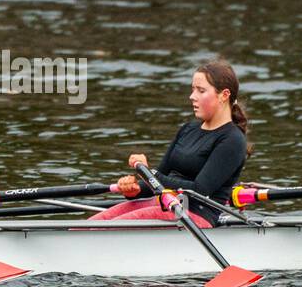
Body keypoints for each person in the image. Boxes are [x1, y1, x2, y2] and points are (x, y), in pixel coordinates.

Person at [91, 59, 250, 228]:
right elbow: (161, 177)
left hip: (195, 216)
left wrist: (149, 172)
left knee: (103, 229)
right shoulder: (188, 129)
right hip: (165, 204)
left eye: (201, 90)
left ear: (224, 95)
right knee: (89, 224)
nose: (192, 96)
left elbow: (199, 190)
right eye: (193, 89)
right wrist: (136, 190)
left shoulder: (232, 140)